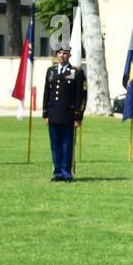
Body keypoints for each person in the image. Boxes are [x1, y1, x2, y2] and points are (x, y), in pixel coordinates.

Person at [42, 46, 86, 181]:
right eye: (60, 53)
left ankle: (66, 172)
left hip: (68, 115)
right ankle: (57, 172)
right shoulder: (51, 71)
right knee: (55, 145)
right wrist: (46, 113)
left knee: (67, 145)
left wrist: (78, 116)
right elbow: (47, 92)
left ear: (69, 55)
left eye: (65, 53)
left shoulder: (76, 72)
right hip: (53, 114)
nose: (62, 55)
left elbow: (81, 95)